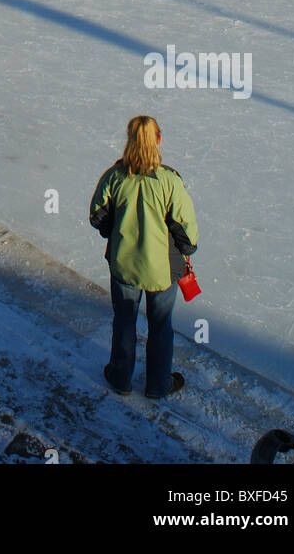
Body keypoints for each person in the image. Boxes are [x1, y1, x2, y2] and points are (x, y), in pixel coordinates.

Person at [89, 115, 199, 400]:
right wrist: (184, 252)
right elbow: (187, 235)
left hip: (124, 266)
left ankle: (120, 378)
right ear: (159, 140)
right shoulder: (169, 182)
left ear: (129, 140)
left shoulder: (113, 177)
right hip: (162, 270)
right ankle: (158, 385)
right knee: (161, 325)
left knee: (124, 321)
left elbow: (97, 217)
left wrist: (114, 233)